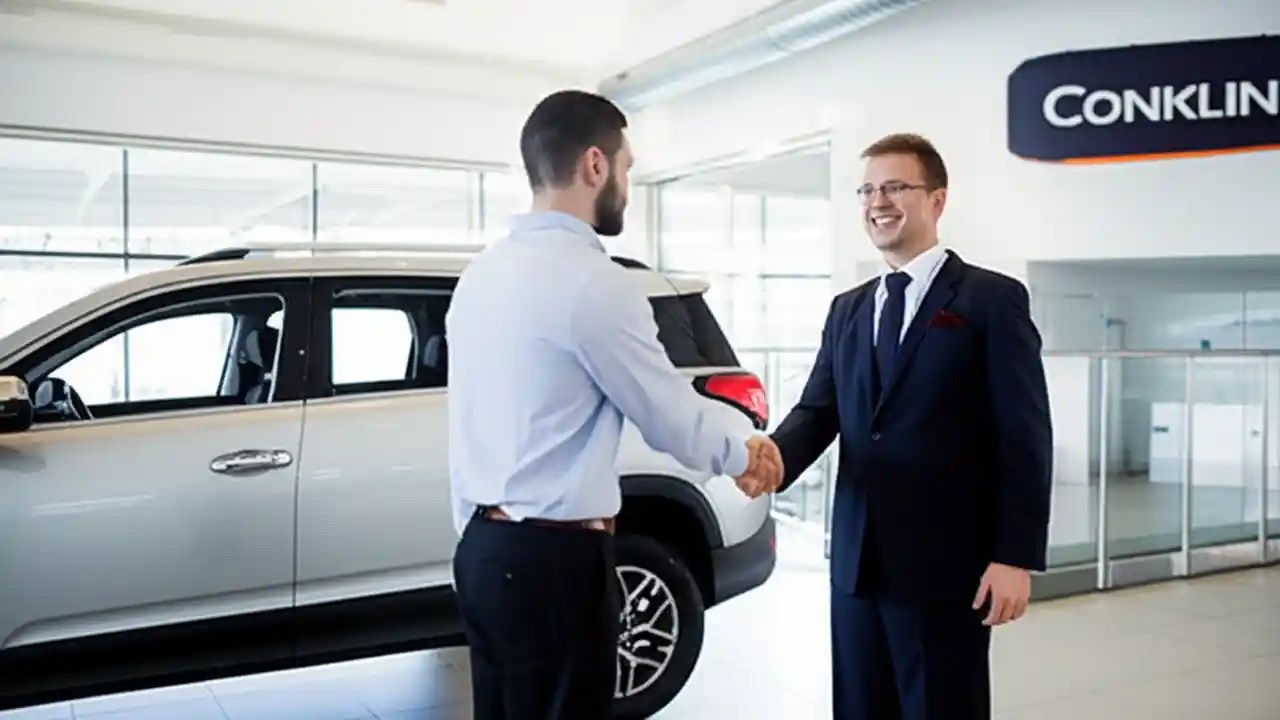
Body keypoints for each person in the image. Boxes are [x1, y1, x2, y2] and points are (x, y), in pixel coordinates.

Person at [446, 89, 783, 720]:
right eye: (626, 169)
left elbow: (467, 422)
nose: (626, 184)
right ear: (595, 166)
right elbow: (666, 413)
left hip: (483, 552)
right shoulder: (596, 284)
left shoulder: (481, 276)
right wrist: (745, 450)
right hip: (554, 565)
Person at [770, 132, 1053, 719]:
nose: (879, 200)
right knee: (860, 707)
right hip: (856, 562)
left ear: (937, 200)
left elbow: (1024, 436)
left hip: (948, 567)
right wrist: (768, 459)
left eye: (896, 186)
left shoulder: (990, 300)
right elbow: (819, 411)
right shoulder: (847, 308)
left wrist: (1014, 556)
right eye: (868, 189)